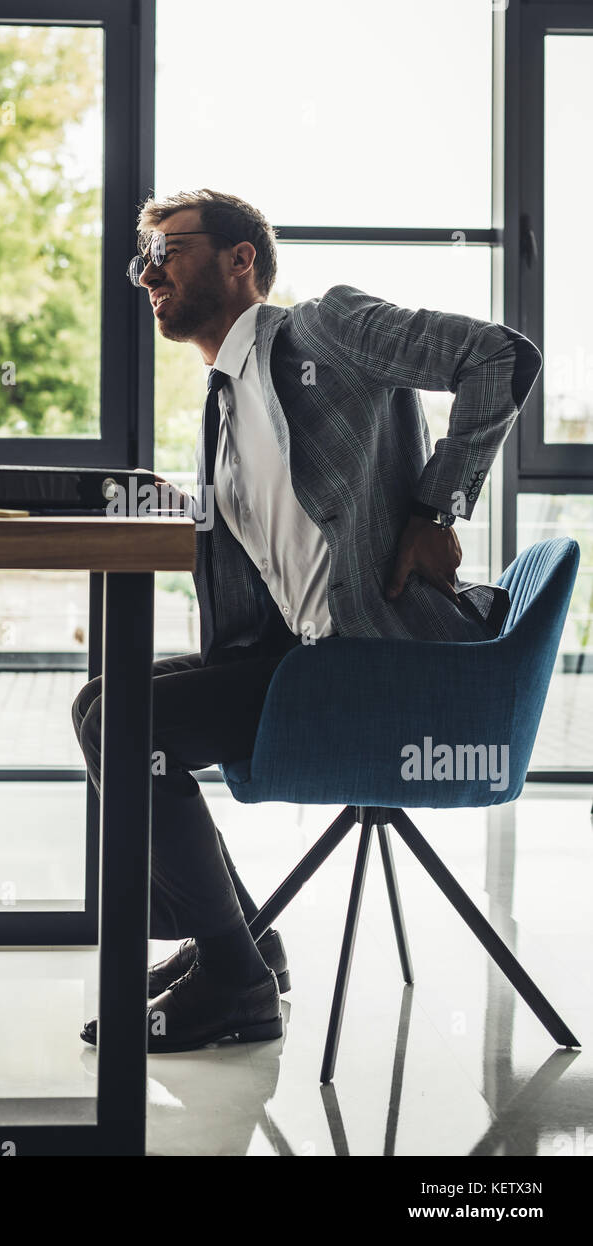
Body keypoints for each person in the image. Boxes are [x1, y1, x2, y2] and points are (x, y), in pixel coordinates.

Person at [74, 187, 542, 1055]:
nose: (146, 274)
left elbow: (500, 359)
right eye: (141, 259)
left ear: (239, 258)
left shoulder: (324, 329)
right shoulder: (223, 404)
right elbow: (275, 542)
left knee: (129, 721)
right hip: (309, 655)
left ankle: (234, 978)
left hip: (382, 664)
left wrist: (435, 508)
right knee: (102, 708)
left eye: (165, 251)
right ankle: (239, 943)